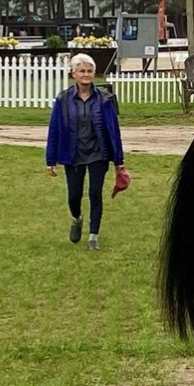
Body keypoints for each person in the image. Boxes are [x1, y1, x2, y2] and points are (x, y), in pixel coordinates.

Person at [46, 53, 125, 251]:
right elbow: (54, 129)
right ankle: (77, 218)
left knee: (95, 193)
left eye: (89, 71)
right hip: (72, 154)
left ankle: (93, 236)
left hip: (98, 153)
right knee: (74, 195)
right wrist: (51, 159)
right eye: (82, 71)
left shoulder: (105, 99)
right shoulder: (63, 99)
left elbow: (114, 131)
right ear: (74, 74)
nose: (86, 75)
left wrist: (119, 160)